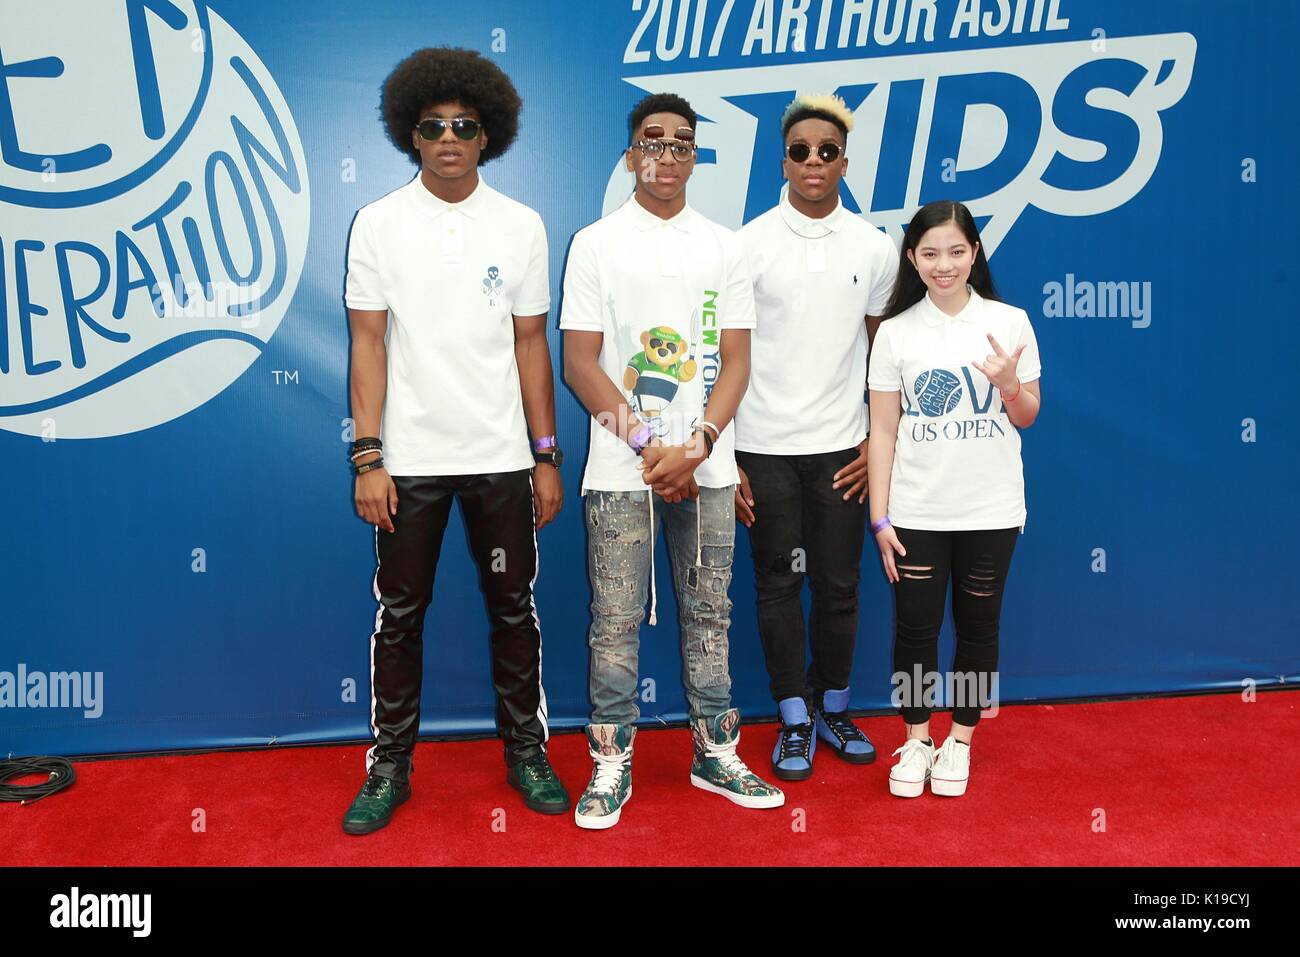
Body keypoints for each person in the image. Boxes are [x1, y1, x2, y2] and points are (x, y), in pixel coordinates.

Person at [341, 47, 568, 834]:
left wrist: (545, 453)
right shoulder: (376, 223)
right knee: (400, 615)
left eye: (464, 125)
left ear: (488, 135)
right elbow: (366, 344)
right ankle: (390, 764)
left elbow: (532, 346)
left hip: (501, 460)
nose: (447, 137)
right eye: (432, 125)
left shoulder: (521, 225)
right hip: (409, 465)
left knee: (514, 608)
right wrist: (368, 456)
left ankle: (526, 749)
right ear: (411, 134)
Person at [560, 92, 785, 830]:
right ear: (631, 154)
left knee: (709, 613)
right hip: (623, 469)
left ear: (694, 155)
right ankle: (611, 762)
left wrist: (701, 446)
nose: (665, 151)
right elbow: (580, 363)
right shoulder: (595, 243)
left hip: (708, 465)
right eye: (651, 139)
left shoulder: (726, 245)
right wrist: (649, 447)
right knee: (616, 619)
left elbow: (737, 360)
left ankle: (714, 751)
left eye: (681, 141)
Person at [734, 93, 899, 781]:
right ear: (784, 159)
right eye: (800, 150)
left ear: (844, 162)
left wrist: (877, 443)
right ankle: (793, 717)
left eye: (826, 152)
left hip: (842, 448)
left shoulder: (874, 246)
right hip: (762, 446)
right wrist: (722, 457)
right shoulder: (745, 245)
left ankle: (833, 705)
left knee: (837, 587)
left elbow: (883, 354)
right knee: (777, 585)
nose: (812, 161)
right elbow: (723, 355)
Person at [866, 200, 1042, 798]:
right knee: (914, 629)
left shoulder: (1009, 322)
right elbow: (883, 430)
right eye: (930, 253)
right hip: (916, 510)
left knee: (978, 627)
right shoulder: (894, 332)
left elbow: (1027, 416)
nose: (944, 265)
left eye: (957, 251)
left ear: (974, 254)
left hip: (990, 509)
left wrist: (1010, 385)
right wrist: (880, 516)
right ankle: (916, 739)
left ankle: (960, 741)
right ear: (912, 258)